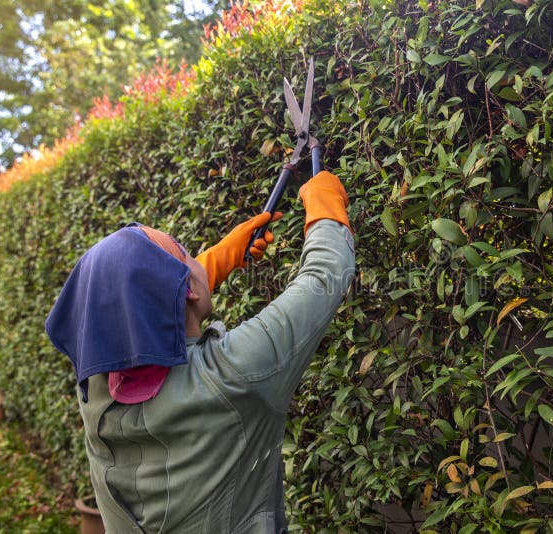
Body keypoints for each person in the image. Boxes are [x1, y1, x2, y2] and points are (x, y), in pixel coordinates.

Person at [45, 171, 354, 533]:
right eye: (188, 254)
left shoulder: (94, 388)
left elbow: (130, 311)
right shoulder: (233, 375)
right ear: (187, 291)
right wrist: (325, 203)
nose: (197, 259)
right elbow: (323, 277)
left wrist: (214, 263)